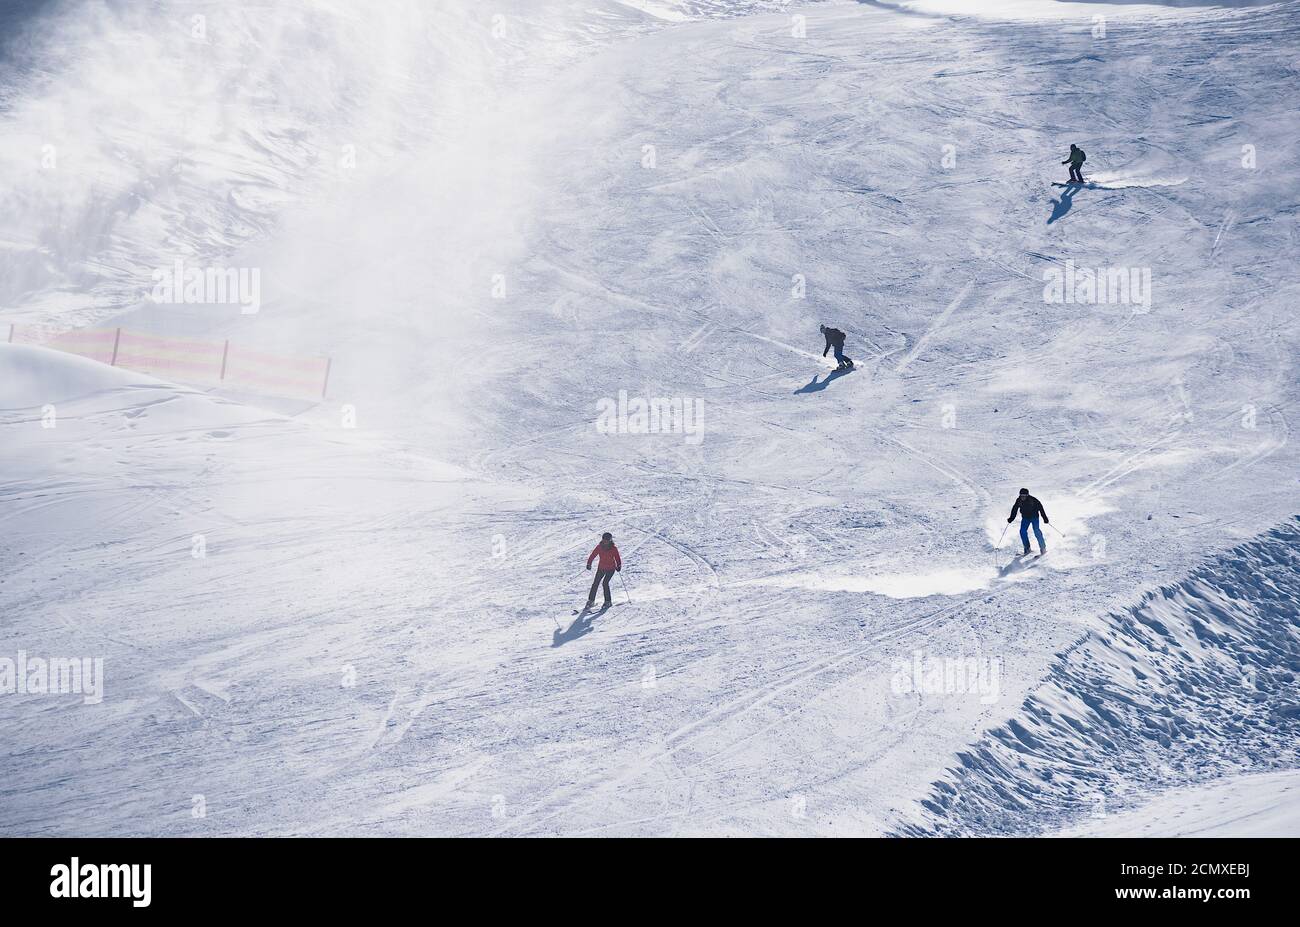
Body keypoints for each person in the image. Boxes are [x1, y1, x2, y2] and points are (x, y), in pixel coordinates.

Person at [1007, 488, 1049, 555]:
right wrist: (1011, 518)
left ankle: (1043, 549)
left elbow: (1041, 508)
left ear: (1027, 495)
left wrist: (1045, 518)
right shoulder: (1019, 500)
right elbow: (1015, 509)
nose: (1022, 497)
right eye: (1021, 495)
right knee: (1022, 531)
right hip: (1025, 518)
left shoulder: (1033, 500)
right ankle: (1027, 548)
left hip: (1034, 517)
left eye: (1024, 496)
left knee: (1036, 531)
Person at [585, 532, 622, 607]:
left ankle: (608, 601)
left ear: (610, 540)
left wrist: (619, 565)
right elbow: (593, 555)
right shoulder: (599, 547)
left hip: (611, 569)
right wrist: (589, 563)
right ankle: (591, 601)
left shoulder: (613, 548)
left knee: (605, 583)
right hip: (601, 568)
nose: (605, 542)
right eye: (604, 540)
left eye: (607, 540)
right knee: (595, 583)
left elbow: (617, 557)